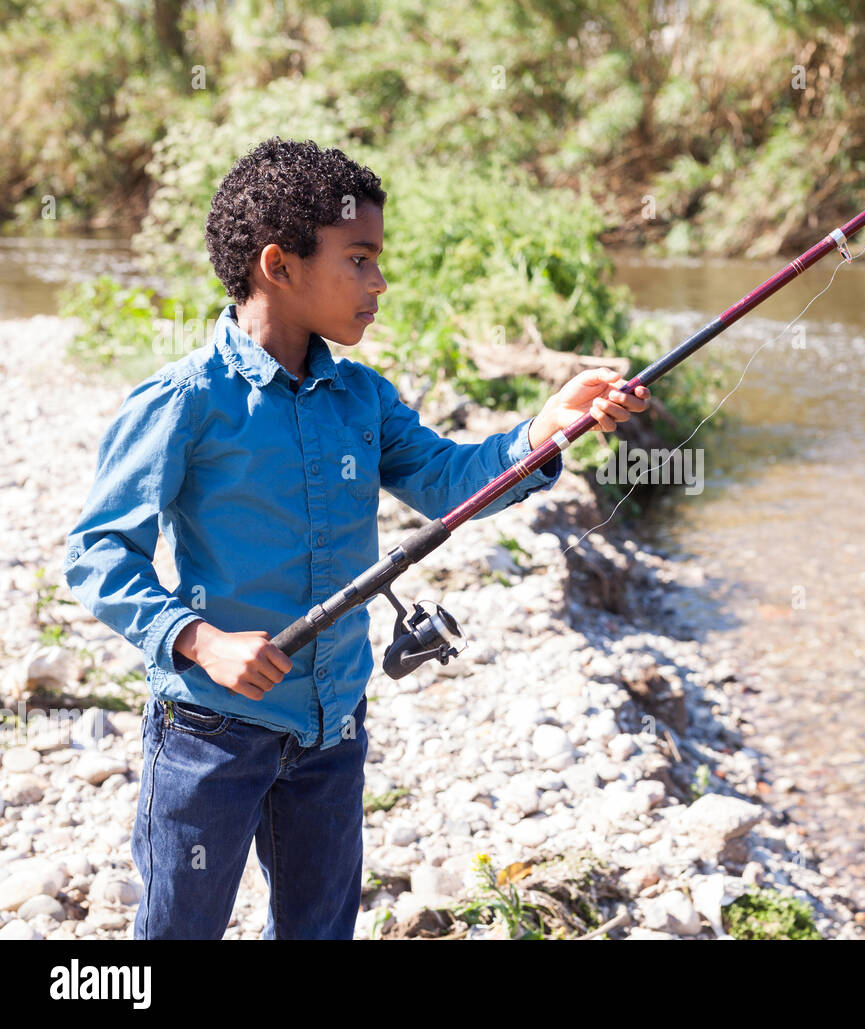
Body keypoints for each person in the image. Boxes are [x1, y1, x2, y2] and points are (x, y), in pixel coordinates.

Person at [62, 137, 649, 939]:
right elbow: (99, 551)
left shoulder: (362, 397)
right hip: (210, 732)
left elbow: (450, 480)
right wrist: (198, 640)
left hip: (331, 729)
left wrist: (546, 430)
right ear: (281, 264)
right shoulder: (184, 401)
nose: (379, 282)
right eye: (360, 259)